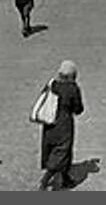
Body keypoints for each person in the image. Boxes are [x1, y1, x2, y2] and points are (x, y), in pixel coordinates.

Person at [38, 60, 85, 191]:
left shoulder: (52, 84)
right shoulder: (72, 88)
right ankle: (45, 180)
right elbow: (78, 109)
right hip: (64, 125)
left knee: (54, 150)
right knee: (62, 151)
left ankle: (66, 179)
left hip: (49, 122)